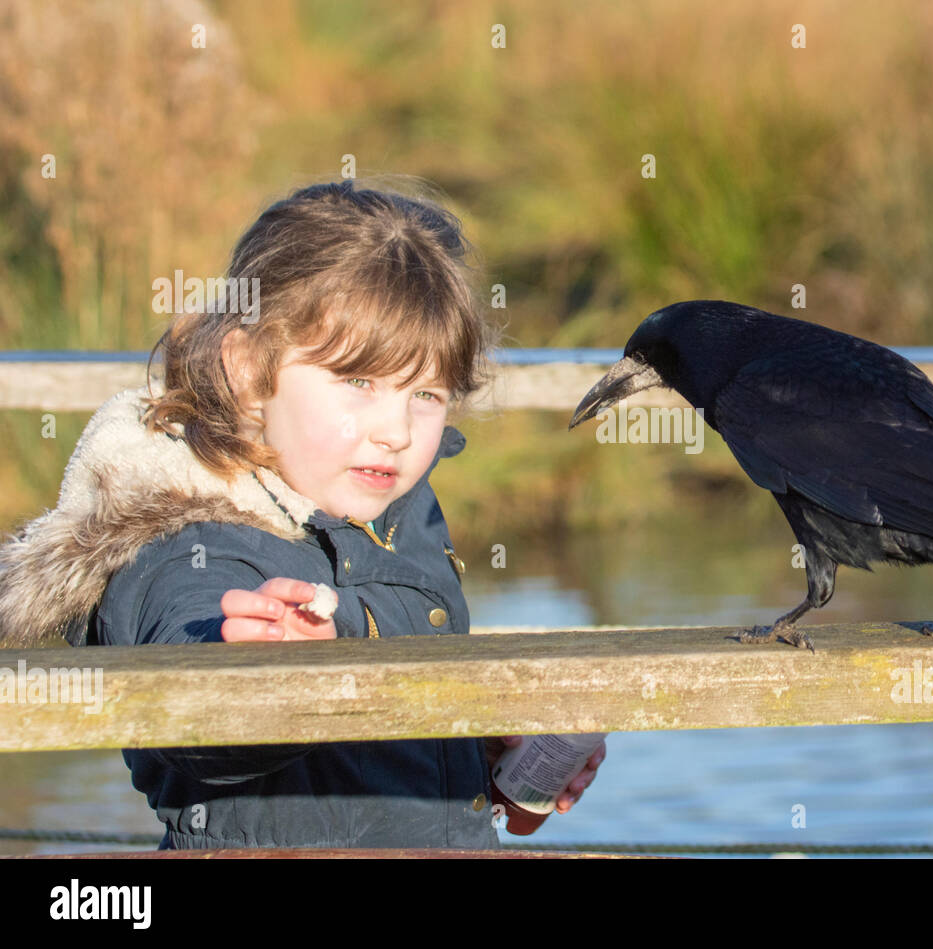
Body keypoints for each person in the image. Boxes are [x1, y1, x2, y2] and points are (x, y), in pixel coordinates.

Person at [0, 179, 604, 849]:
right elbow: (189, 709)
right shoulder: (185, 533)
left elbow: (388, 709)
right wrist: (256, 675)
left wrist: (482, 743)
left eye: (426, 392)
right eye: (357, 381)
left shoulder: (394, 505)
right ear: (250, 372)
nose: (397, 431)